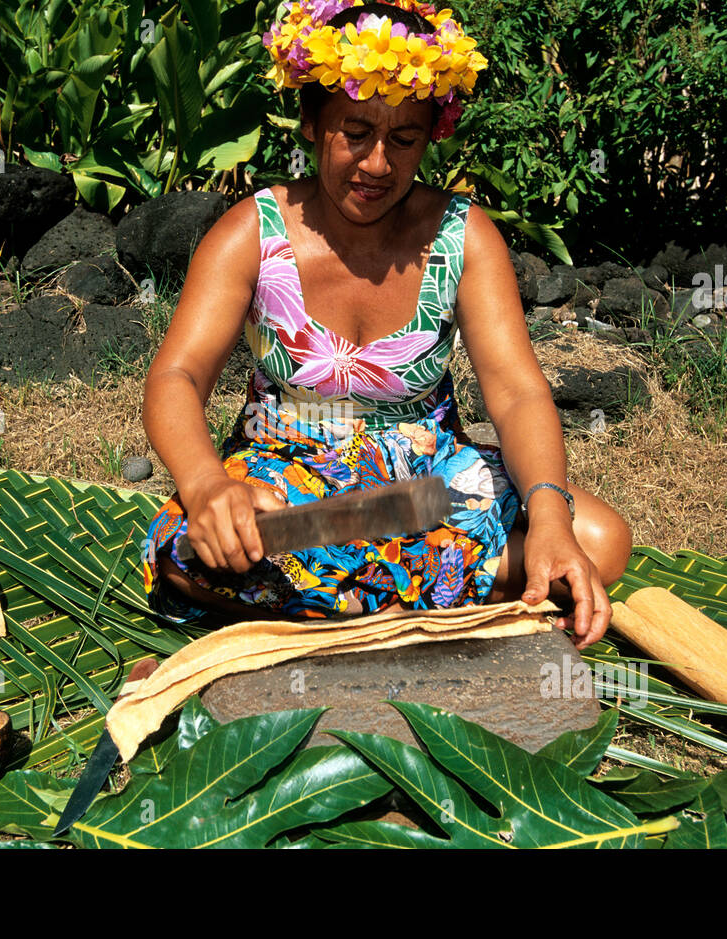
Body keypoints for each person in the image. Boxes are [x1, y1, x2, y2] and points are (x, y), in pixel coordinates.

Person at [138, 0, 631, 649]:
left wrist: (547, 513)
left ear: (432, 135)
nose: (376, 164)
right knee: (195, 554)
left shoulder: (462, 237)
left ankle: (357, 599)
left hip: (428, 485)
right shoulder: (251, 233)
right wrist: (205, 485)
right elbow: (177, 372)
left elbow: (515, 390)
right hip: (289, 481)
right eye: (355, 132)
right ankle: (462, 580)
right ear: (313, 122)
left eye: (403, 140)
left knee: (599, 539)